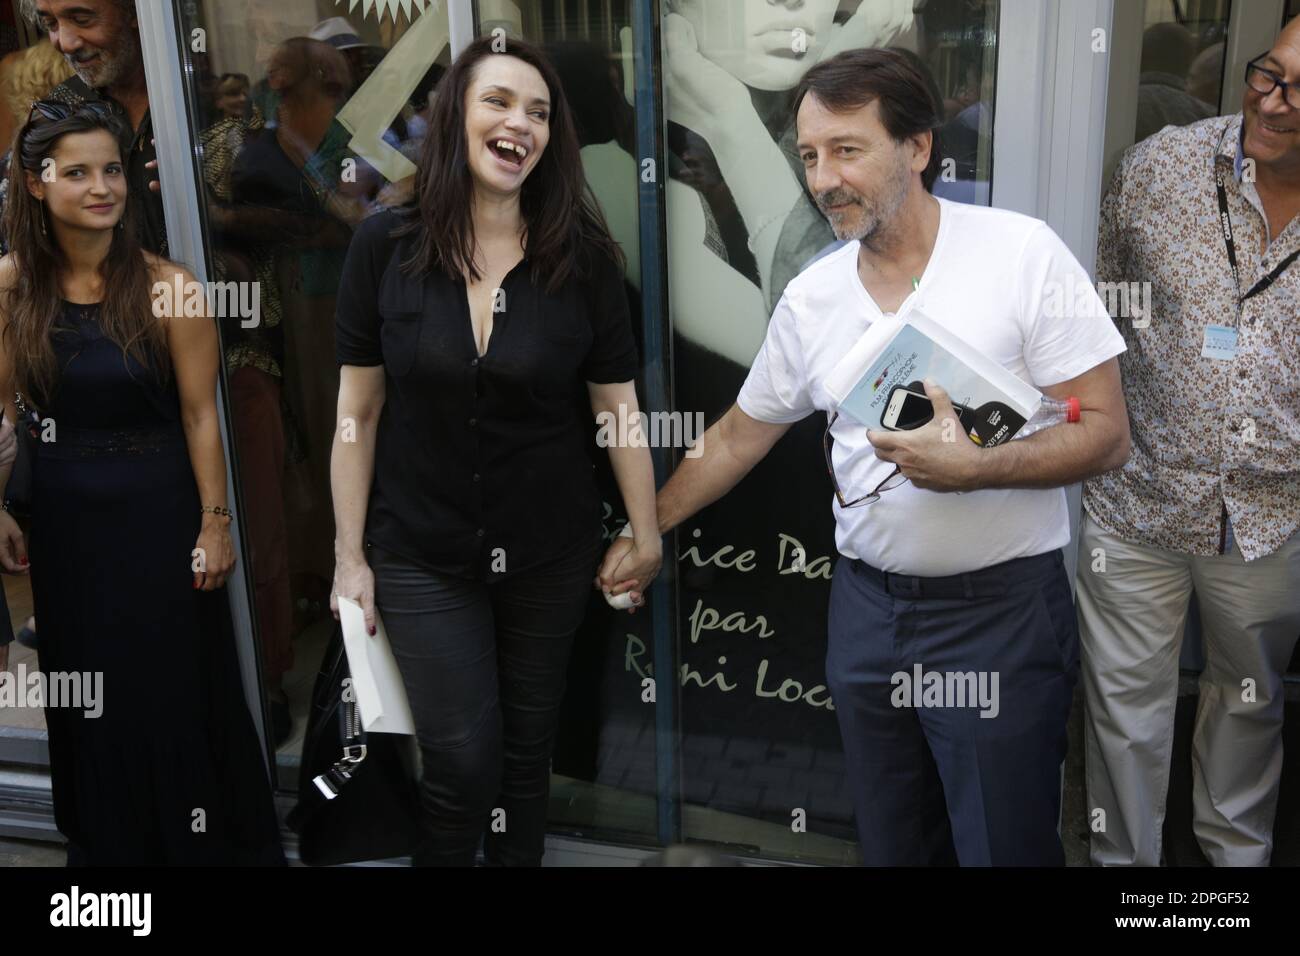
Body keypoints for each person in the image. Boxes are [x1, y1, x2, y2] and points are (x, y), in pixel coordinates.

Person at [601, 48, 1130, 865]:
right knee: (890, 842)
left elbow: (1105, 431)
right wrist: (651, 529)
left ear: (918, 147)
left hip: (998, 617)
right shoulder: (813, 294)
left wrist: (978, 468)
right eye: (808, 157)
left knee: (1002, 844)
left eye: (847, 150)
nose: (823, 179)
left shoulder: (1020, 255)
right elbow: (742, 434)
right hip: (868, 613)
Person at [331, 35, 661, 866]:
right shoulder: (384, 246)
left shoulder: (583, 260)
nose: (522, 124)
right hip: (420, 551)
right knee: (461, 760)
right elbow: (356, 416)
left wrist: (645, 530)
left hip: (550, 550)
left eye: (540, 112)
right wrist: (348, 558)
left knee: (524, 760)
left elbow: (618, 407)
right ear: (454, 118)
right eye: (500, 102)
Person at [0, 101, 283, 864]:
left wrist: (214, 523)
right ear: (35, 185)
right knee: (88, 694)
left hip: (159, 519)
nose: (103, 187)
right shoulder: (11, 287)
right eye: (79, 172)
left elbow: (200, 416)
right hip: (64, 526)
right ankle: (113, 852)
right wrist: (2, 505)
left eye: (114, 170)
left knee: (170, 690)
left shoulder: (170, 289)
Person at [1081, 18, 1300, 867]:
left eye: (1296, 90)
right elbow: (1102, 313)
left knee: (1250, 701)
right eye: (1266, 74)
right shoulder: (1159, 167)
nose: (1269, 102)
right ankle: (1124, 872)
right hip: (1139, 495)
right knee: (1123, 710)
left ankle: (1231, 872)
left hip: (1274, 512)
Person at [9, 0, 165, 254]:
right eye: (51, 24)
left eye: (82, 20)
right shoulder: (60, 110)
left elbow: (253, 219)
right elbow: (22, 237)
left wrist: (212, 210)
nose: (65, 42)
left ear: (135, 12)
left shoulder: (201, 100)